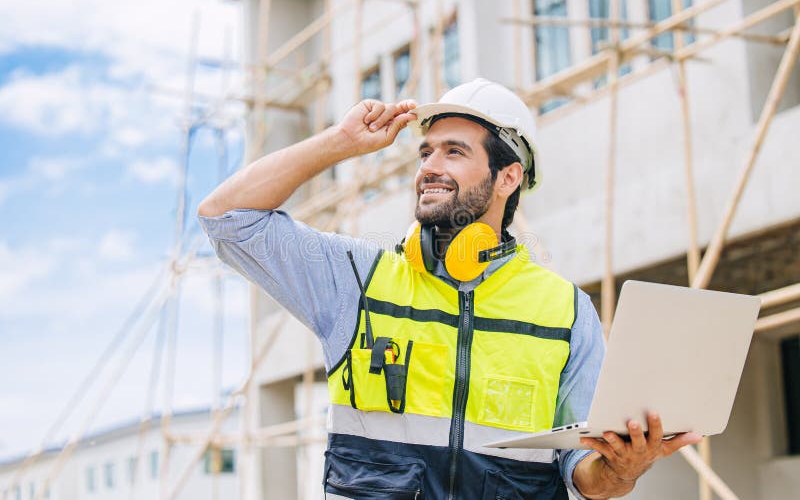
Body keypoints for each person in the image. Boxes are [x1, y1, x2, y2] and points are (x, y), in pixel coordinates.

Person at [198, 78, 701, 499]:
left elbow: (585, 474)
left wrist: (622, 469)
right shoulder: (357, 280)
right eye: (426, 152)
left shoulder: (565, 310)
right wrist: (341, 143)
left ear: (508, 177)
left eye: (454, 152)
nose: (429, 168)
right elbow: (226, 218)